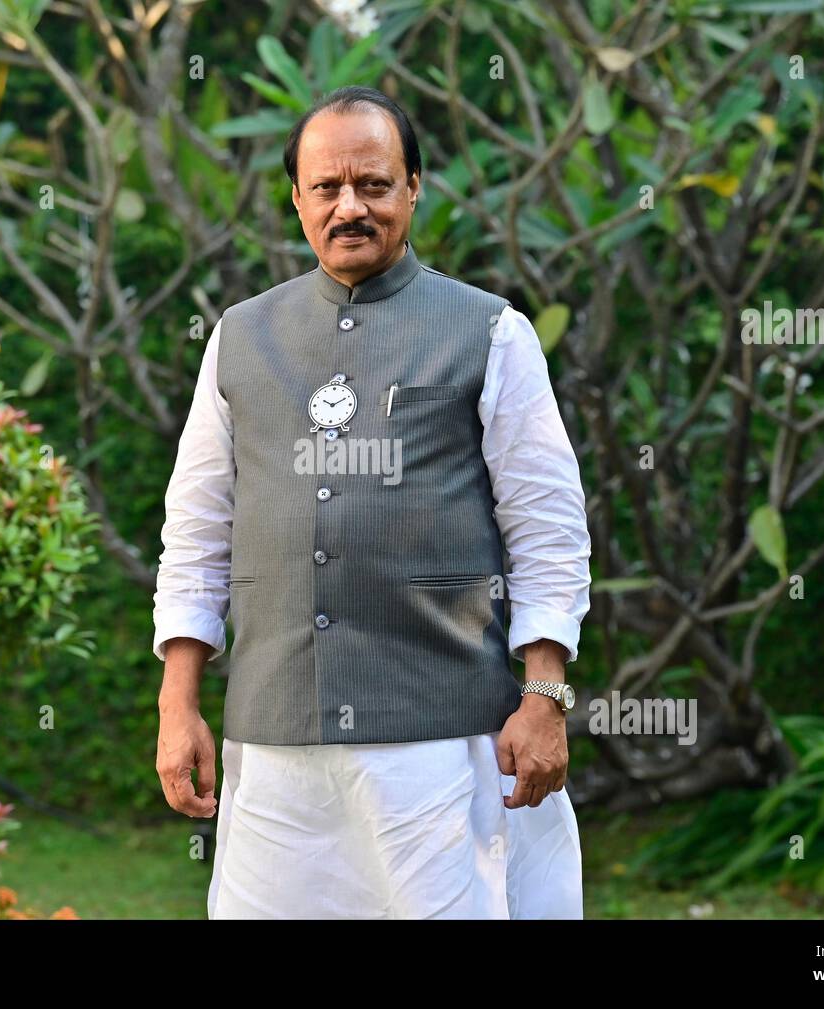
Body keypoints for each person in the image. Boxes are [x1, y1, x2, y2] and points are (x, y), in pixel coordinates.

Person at [152, 86, 592, 919]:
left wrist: (546, 697)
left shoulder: (491, 331)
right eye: (327, 187)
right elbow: (197, 531)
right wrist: (179, 705)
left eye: (375, 184)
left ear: (415, 187)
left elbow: (547, 528)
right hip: (272, 742)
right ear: (296, 197)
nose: (350, 207)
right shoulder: (239, 338)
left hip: (437, 738)